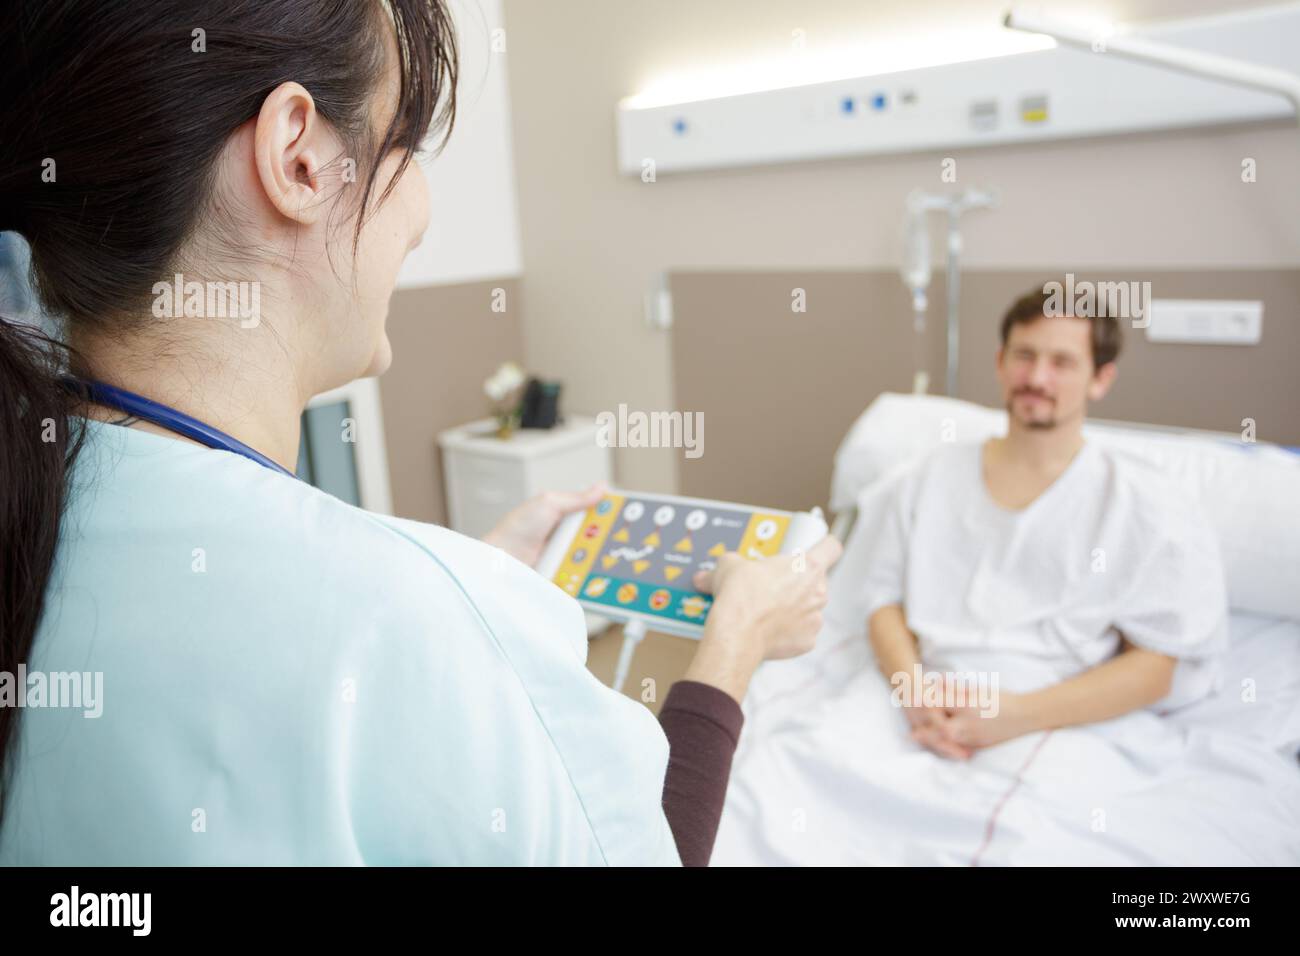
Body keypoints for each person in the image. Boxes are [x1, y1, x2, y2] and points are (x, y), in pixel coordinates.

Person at [0, 0, 840, 865]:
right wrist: (735, 646)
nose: (422, 213)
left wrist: (451, 594)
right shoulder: (421, 622)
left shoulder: (31, 508)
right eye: (406, 144)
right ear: (300, 158)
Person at [859, 285, 1228, 759]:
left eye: (1062, 362)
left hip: (1058, 722)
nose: (1037, 377)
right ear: (999, 362)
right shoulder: (929, 477)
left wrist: (1017, 716)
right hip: (920, 707)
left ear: (1101, 379)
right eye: (1024, 356)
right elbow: (881, 598)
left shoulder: (1139, 505)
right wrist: (915, 694)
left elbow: (1157, 664)